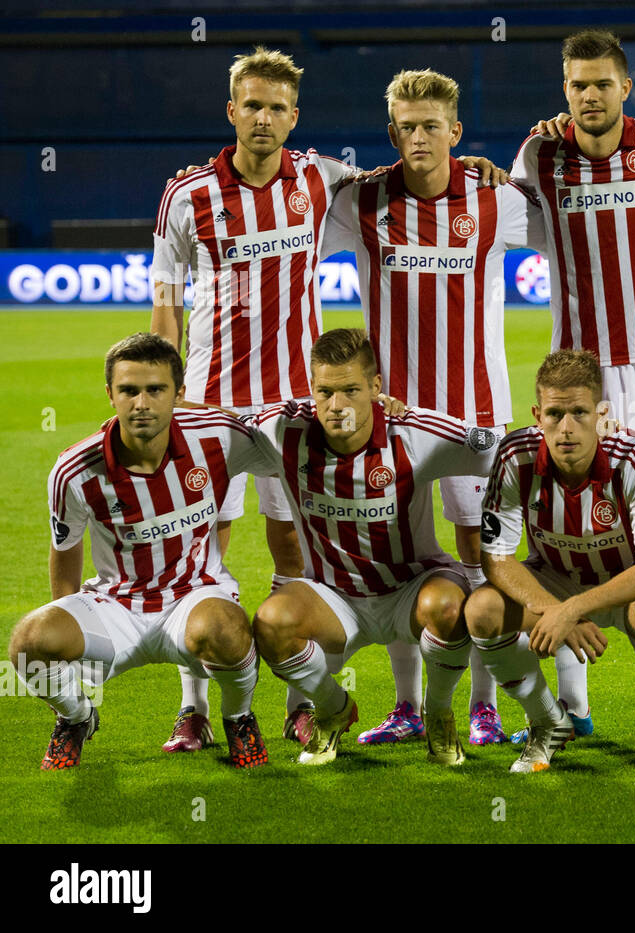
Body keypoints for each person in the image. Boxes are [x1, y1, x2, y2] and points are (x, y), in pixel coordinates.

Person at [324, 68, 546, 747]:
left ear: (456, 131)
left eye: (432, 126)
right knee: (398, 555)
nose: (419, 137)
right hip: (388, 417)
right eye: (407, 127)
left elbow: (578, 220)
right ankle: (407, 705)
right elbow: (290, 204)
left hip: (474, 414)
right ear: (391, 134)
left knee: (483, 552)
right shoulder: (361, 201)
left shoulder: (495, 201)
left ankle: (485, 705)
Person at [510, 29, 635, 744]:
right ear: (564, 89)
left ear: (625, 87)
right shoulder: (539, 154)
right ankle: (573, 706)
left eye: (601, 83)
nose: (589, 95)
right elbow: (514, 217)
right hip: (577, 377)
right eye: (577, 84)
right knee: (565, 530)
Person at [150, 46, 356, 752]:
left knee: (295, 541)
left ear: (294, 117)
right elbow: (166, 304)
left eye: (277, 107)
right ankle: (194, 708)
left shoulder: (321, 179)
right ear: (231, 110)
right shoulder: (187, 194)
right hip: (207, 405)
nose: (263, 118)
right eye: (252, 105)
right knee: (199, 549)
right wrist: (165, 396)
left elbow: (408, 182)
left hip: (295, 406)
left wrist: (474, 164)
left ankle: (301, 700)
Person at [8, 334, 268, 769]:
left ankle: (238, 718)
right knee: (28, 643)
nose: (141, 403)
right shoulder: (74, 470)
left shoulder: (217, 436)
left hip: (194, 597)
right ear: (110, 394)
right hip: (116, 607)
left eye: (155, 390)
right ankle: (75, 717)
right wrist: (67, 631)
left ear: (179, 394)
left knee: (227, 628)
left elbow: (289, 441)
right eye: (128, 390)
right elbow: (65, 551)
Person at [247, 329, 500, 766]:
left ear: (375, 387)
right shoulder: (282, 430)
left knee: (449, 606)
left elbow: (506, 452)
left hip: (410, 590)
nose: (337, 405)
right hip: (335, 598)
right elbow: (215, 433)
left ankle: (437, 712)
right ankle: (333, 707)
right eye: (325, 392)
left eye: (351, 390)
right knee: (271, 623)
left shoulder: (415, 432)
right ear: (311, 390)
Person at [465, 349, 635, 775]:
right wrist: (554, 607)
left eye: (579, 413)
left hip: (627, 584)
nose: (566, 428)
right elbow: (496, 558)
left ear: (601, 413)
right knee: (483, 610)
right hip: (556, 579)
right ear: (538, 415)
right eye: (554, 414)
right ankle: (547, 722)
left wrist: (571, 611)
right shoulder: (515, 455)